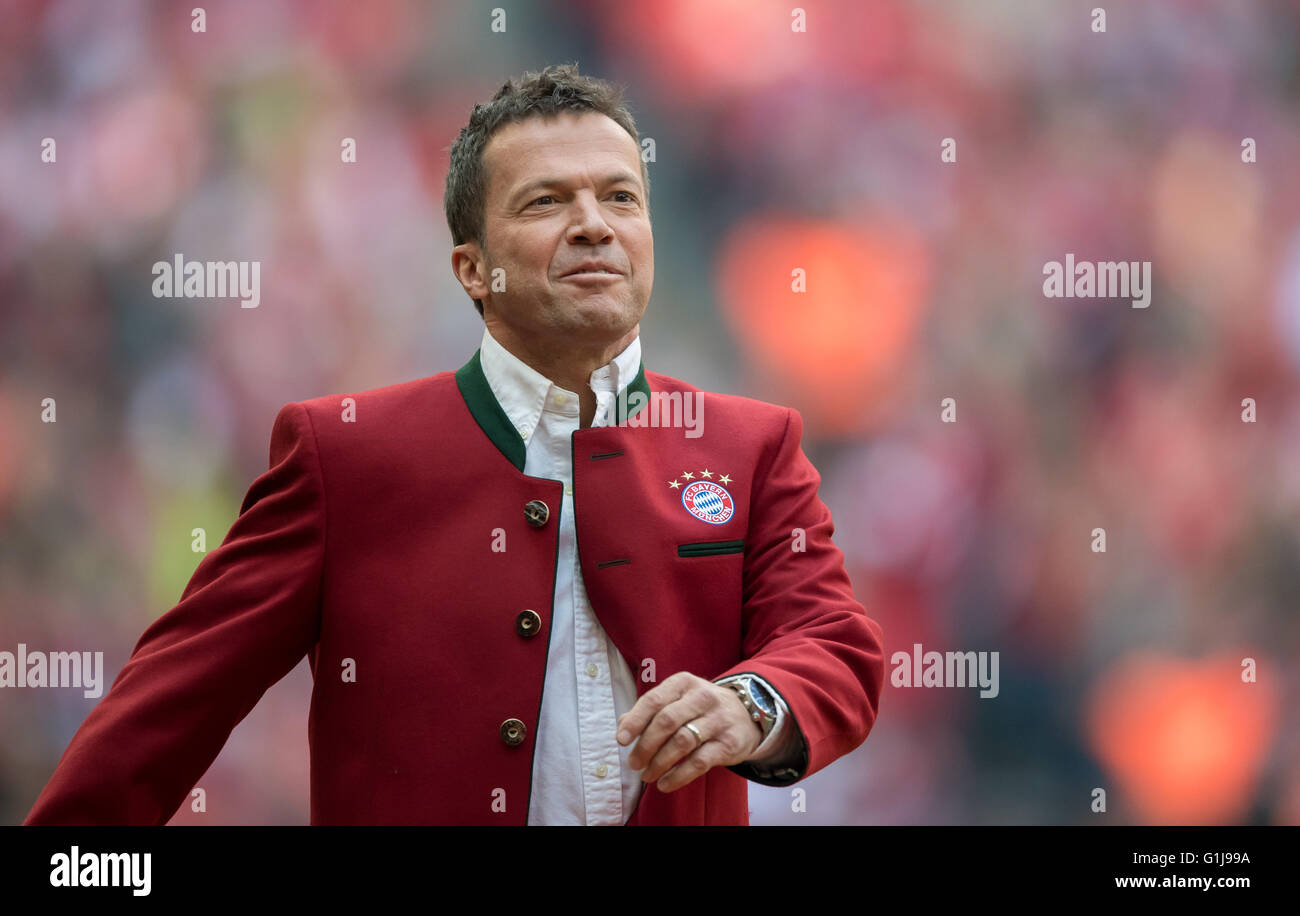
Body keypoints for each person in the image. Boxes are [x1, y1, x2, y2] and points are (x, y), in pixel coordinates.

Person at [25, 63, 884, 826]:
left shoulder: (753, 444)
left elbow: (835, 645)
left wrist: (751, 704)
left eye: (620, 197)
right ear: (472, 269)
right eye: (547, 201)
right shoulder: (345, 455)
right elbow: (168, 710)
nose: (594, 224)